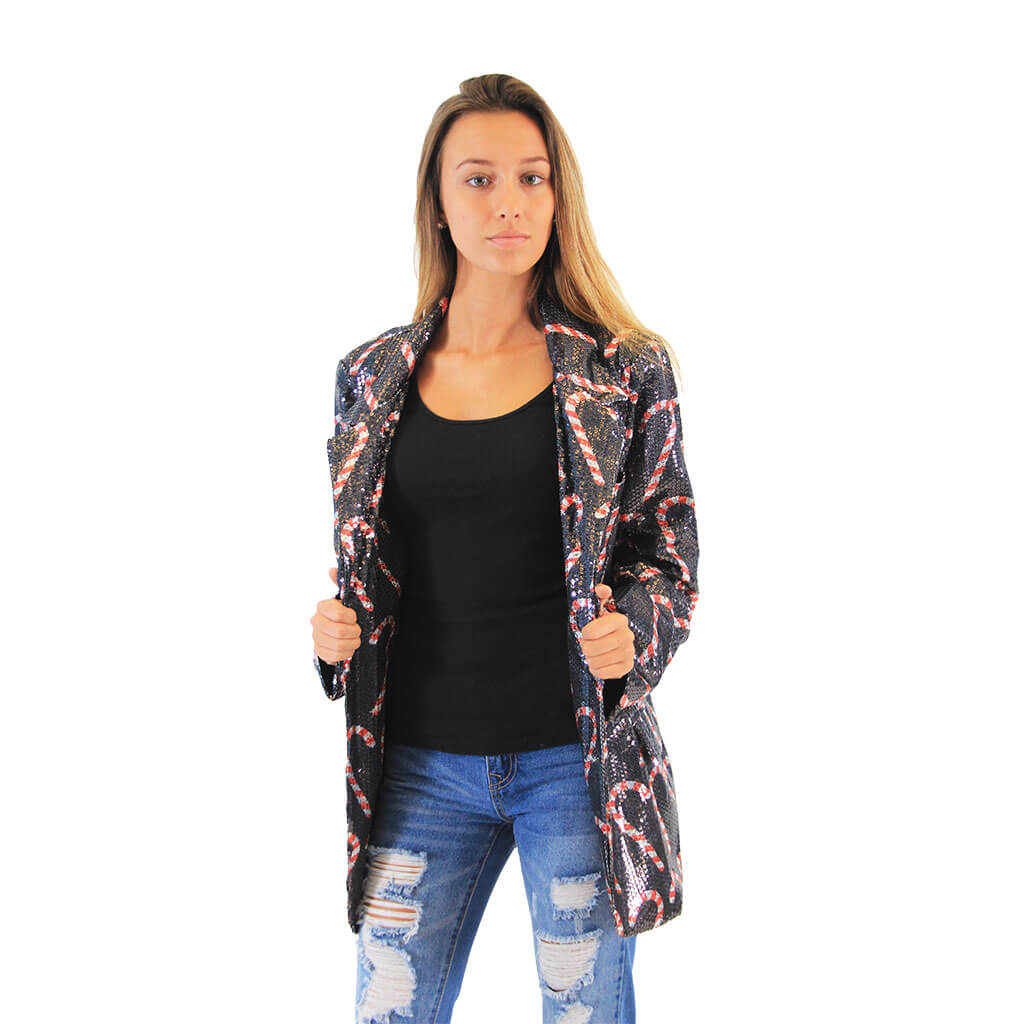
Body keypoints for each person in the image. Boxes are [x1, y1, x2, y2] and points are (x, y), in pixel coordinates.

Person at [310, 74, 699, 1024]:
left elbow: (669, 550)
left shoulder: (621, 370)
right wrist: (336, 635)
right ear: (439, 202)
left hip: (573, 761)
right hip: (419, 766)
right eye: (478, 179)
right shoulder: (371, 375)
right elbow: (370, 570)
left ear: (558, 197)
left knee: (582, 1009)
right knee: (388, 1008)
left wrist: (635, 629)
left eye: (531, 177)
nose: (508, 203)